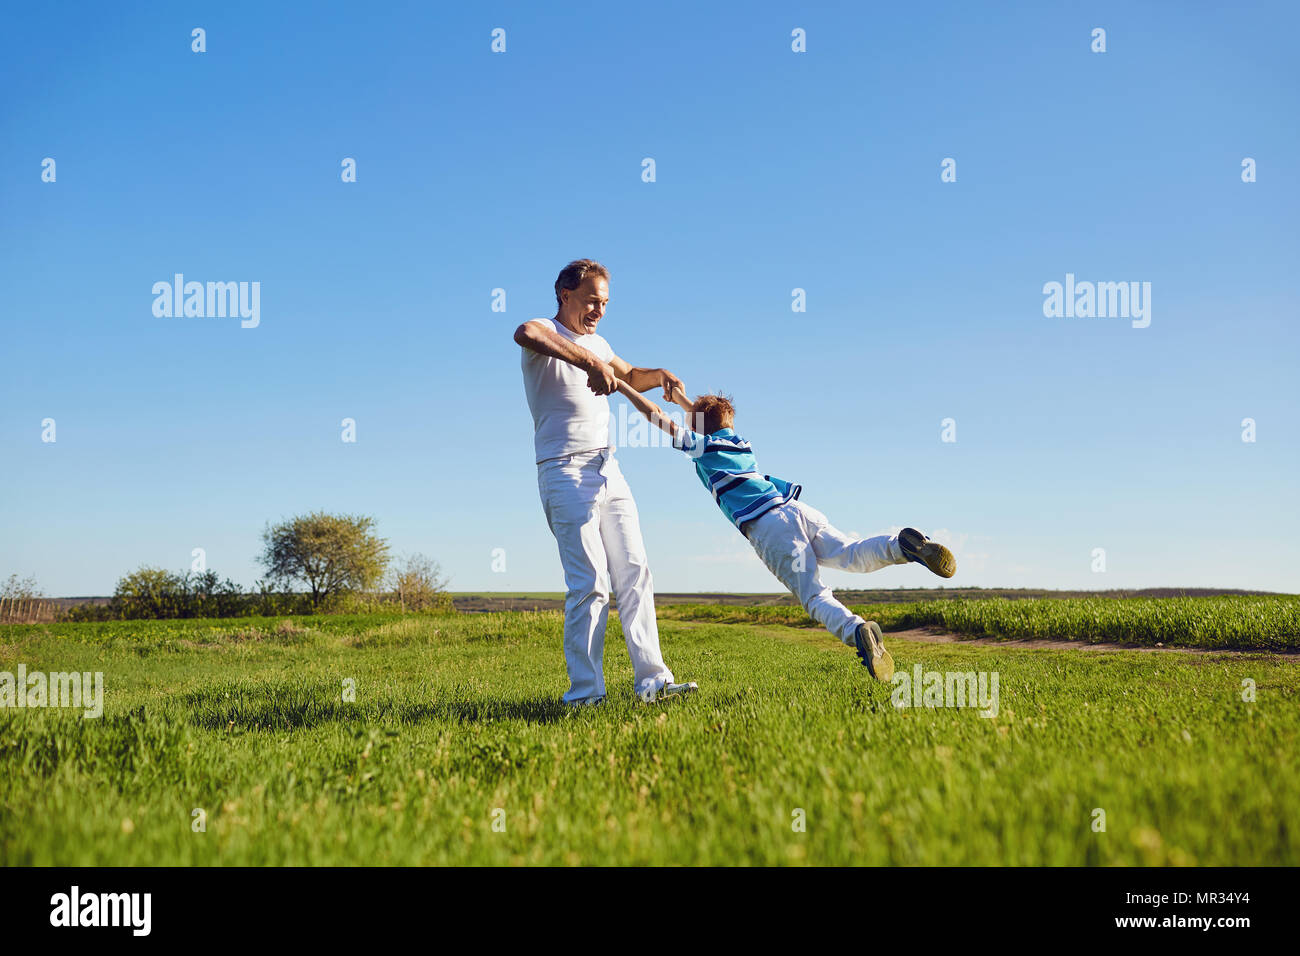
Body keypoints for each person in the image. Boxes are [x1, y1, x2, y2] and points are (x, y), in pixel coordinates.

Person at [613, 380, 957, 681]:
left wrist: (622, 386)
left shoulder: (704, 447)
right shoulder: (738, 442)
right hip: (795, 509)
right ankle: (901, 546)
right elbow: (708, 421)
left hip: (769, 528)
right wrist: (687, 402)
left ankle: (857, 630)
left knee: (815, 595)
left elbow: (658, 417)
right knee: (852, 553)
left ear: (699, 427)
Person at [514, 259, 697, 705]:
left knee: (634, 571)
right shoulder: (543, 329)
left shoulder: (599, 340)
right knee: (590, 583)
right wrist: (589, 360)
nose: (598, 310)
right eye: (592, 300)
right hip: (562, 469)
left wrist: (659, 376)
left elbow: (629, 376)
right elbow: (526, 334)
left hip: (607, 469)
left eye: (605, 303)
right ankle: (585, 696)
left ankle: (653, 684)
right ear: (565, 294)